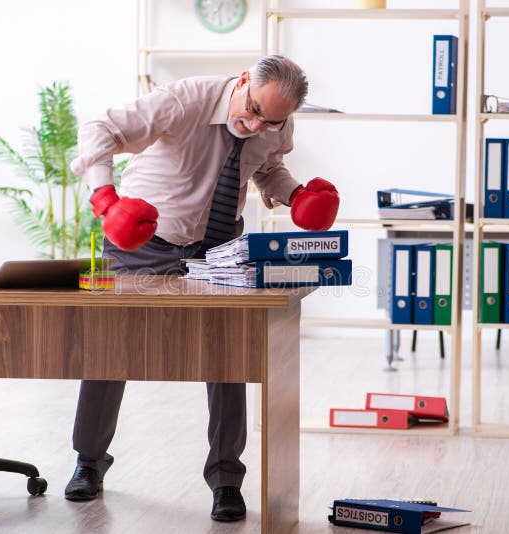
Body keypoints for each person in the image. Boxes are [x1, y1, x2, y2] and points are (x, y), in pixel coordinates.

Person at [66, 55, 340, 522]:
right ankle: (88, 463)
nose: (255, 124)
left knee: (228, 359)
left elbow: (265, 165)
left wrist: (294, 194)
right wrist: (105, 198)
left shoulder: (276, 125)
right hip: (143, 239)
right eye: (252, 109)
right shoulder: (183, 100)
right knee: (109, 351)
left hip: (220, 249)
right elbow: (100, 128)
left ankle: (226, 481)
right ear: (241, 82)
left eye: (270, 120)